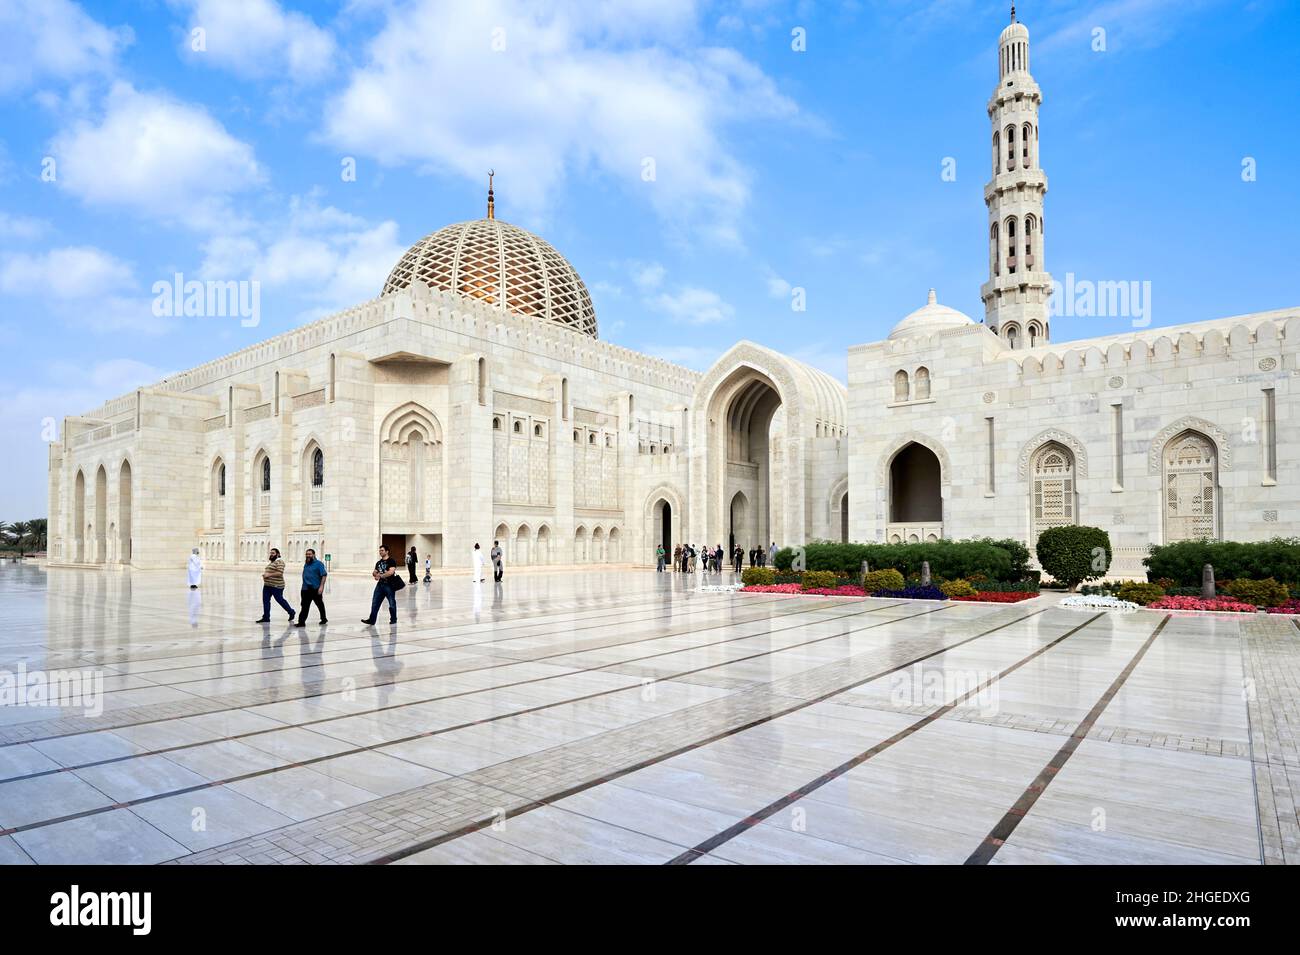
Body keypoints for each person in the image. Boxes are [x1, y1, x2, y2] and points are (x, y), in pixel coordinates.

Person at [256, 547, 297, 623]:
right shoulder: (272, 562)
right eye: (270, 553)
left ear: (278, 554)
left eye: (273, 553)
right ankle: (266, 617)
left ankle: (291, 612)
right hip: (267, 586)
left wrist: (268, 575)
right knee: (266, 601)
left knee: (280, 600)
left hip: (276, 586)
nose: (271, 554)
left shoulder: (280, 562)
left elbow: (280, 572)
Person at [362, 544, 400, 625]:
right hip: (380, 585)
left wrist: (380, 576)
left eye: (382, 550)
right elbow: (375, 572)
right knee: (375, 602)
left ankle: (393, 619)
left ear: (387, 551)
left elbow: (391, 572)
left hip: (389, 585)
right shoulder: (378, 562)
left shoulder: (391, 561)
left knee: (391, 603)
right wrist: (375, 574)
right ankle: (372, 620)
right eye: (380, 550)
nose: (380, 552)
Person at [296, 548, 328, 626]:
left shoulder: (319, 564)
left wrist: (321, 587)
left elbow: (324, 575)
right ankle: (301, 622)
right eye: (307, 554)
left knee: (319, 604)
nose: (308, 556)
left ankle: (323, 618)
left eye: (310, 554)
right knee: (304, 606)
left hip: (315, 589)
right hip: (305, 589)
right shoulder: (306, 564)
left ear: (313, 554)